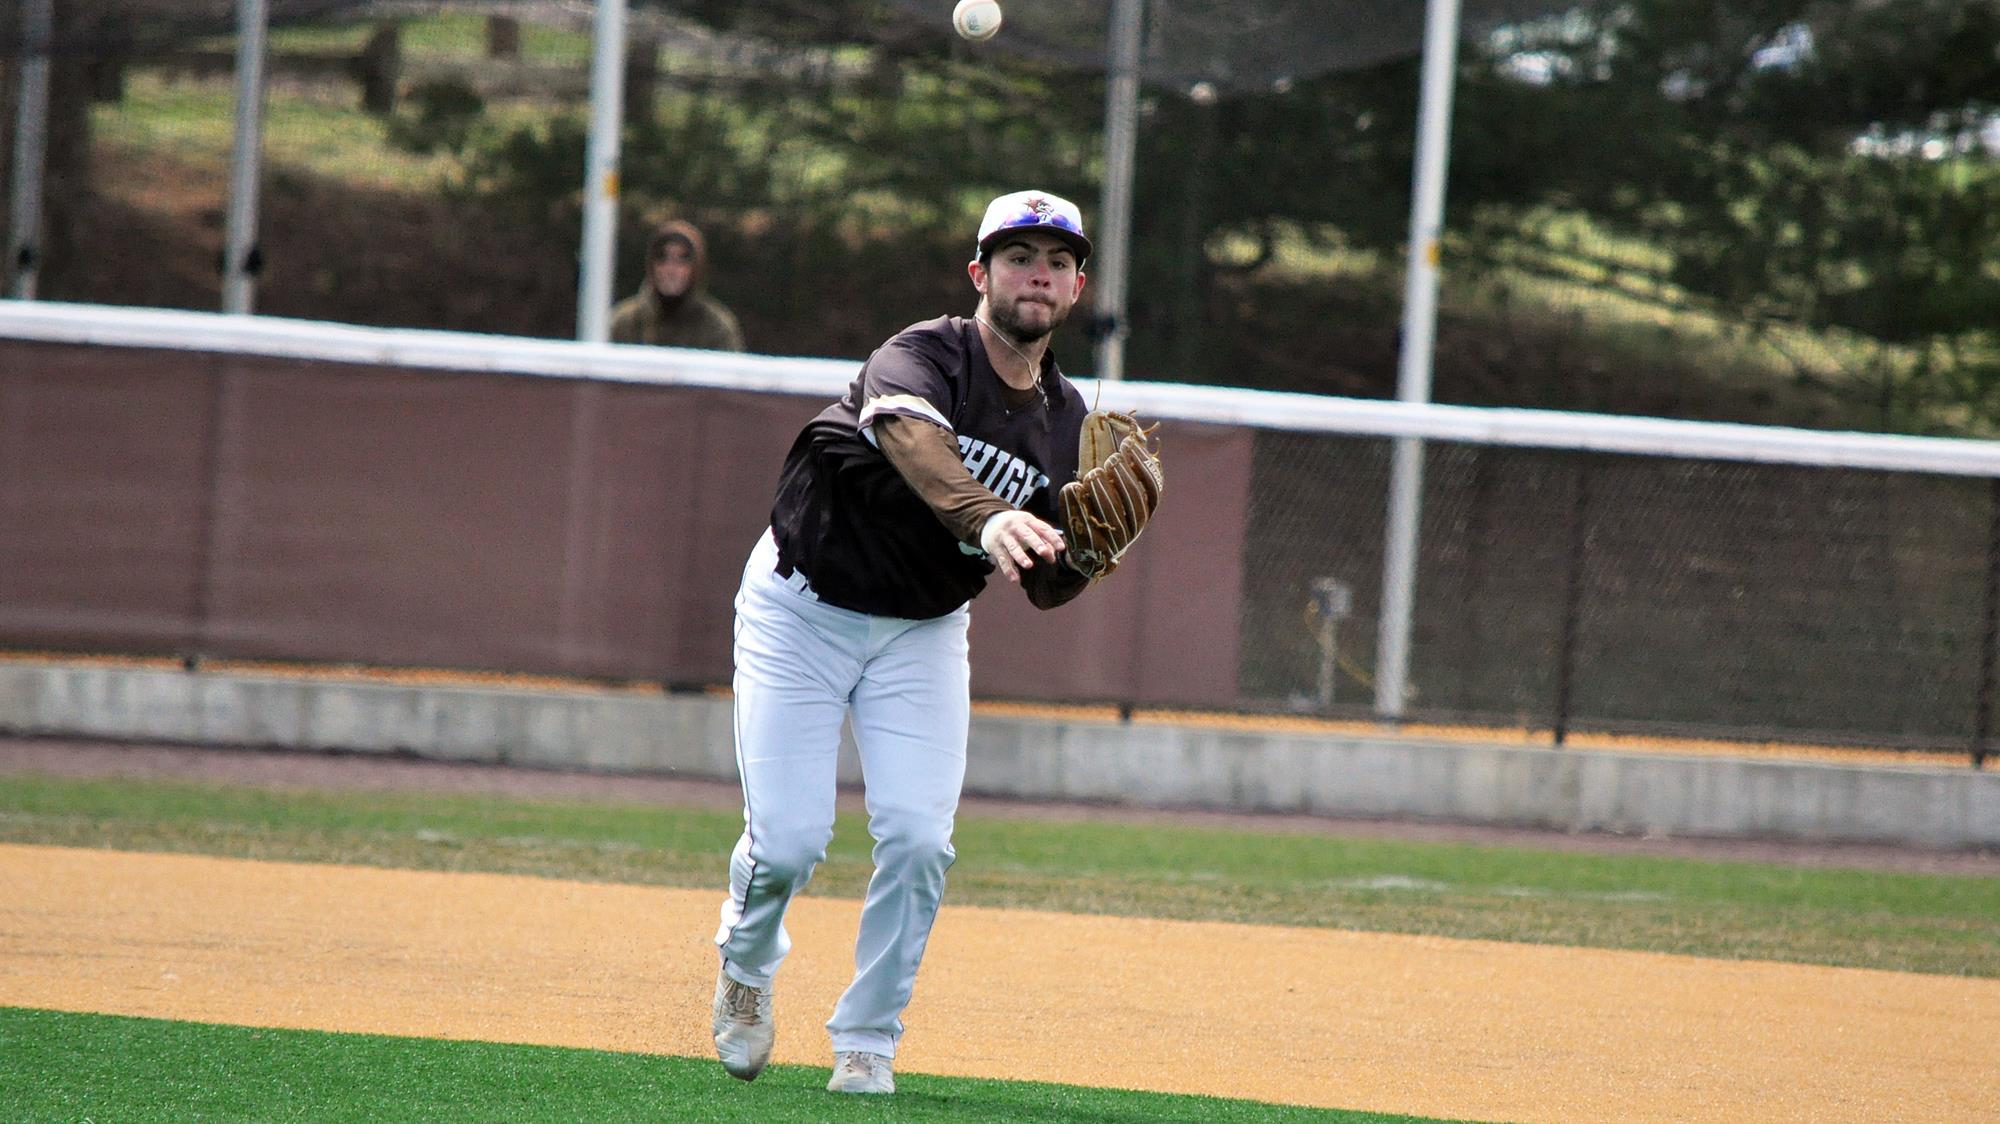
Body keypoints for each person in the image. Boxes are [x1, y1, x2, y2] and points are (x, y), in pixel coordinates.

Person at [711, 190, 1101, 1095]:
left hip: (922, 632)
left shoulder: (1068, 422)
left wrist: (1088, 553)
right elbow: (910, 437)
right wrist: (990, 514)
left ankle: (868, 1039)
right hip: (801, 609)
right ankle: (745, 963)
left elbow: (1046, 585)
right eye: (1016, 255)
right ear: (980, 275)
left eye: (1056, 258)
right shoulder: (922, 353)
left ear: (1076, 287)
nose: (1035, 270)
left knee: (923, 840)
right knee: (793, 842)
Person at [609, 219, 745, 351]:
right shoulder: (623, 323)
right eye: (662, 258)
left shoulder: (717, 328)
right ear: (651, 265)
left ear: (697, 268)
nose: (671, 269)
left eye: (682, 259)